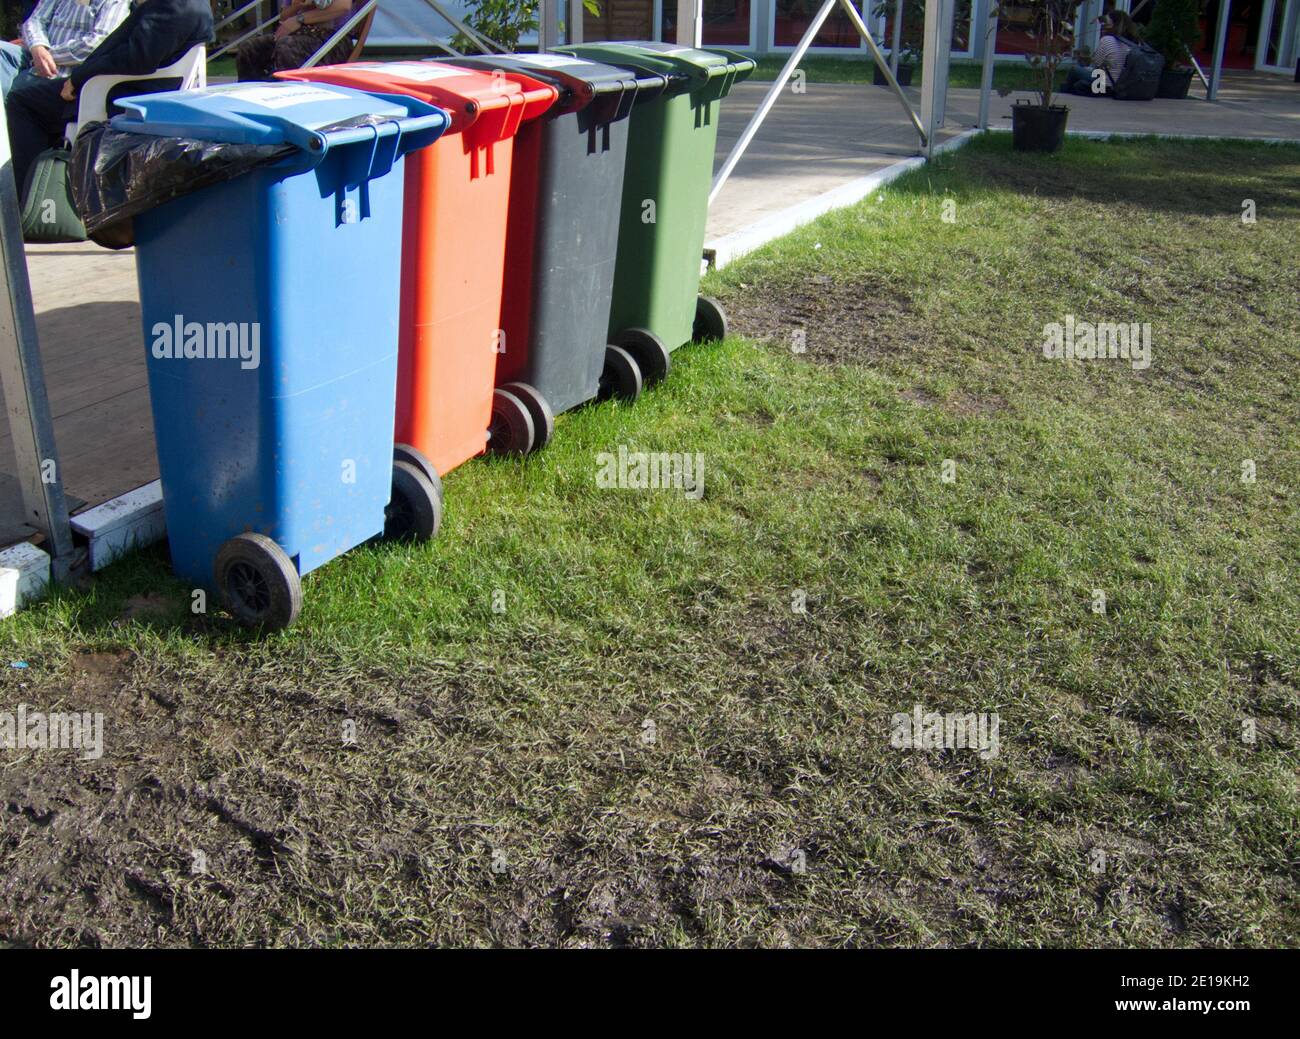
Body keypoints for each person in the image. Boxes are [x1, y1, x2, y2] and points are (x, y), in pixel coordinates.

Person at [4, 0, 211, 199]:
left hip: (118, 95)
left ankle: (29, 198)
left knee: (20, 103)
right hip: (124, 88)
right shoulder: (193, 4)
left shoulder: (174, 5)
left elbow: (136, 58)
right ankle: (48, 191)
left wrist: (79, 78)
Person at [0, 0, 131, 97]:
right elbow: (35, 20)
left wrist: (48, 56)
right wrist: (38, 47)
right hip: (36, 52)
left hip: (64, 70)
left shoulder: (116, 2)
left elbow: (96, 44)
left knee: (13, 91)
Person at [235, 0, 355, 82]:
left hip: (334, 38)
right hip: (300, 34)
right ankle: (254, 95)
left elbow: (343, 6)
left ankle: (288, 94)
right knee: (249, 48)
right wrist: (297, 5)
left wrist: (300, 19)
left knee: (286, 46)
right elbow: (284, 17)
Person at [1062, 9, 1140, 96]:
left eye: (1106, 23)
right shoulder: (1134, 43)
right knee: (1080, 83)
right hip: (1121, 86)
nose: (1103, 26)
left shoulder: (1107, 40)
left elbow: (1097, 64)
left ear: (1113, 24)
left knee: (1075, 70)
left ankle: (1062, 96)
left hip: (1104, 84)